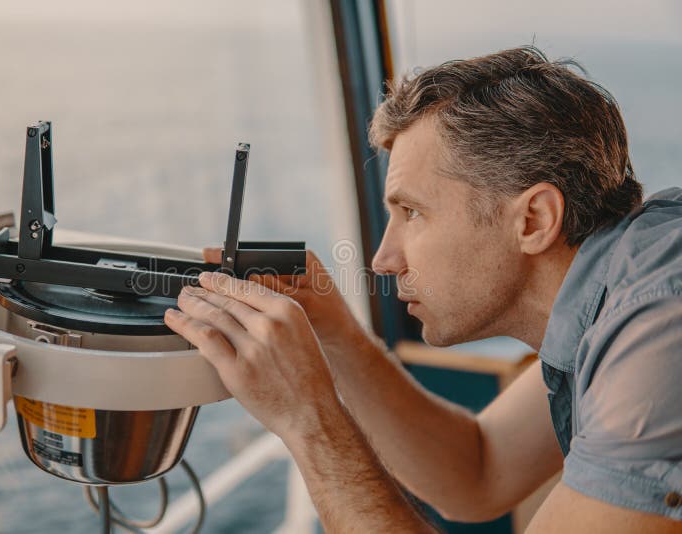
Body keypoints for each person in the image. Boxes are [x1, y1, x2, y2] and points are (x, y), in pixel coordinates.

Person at [163, 46, 682, 532]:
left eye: (412, 212)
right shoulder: (613, 297)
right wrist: (336, 329)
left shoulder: (659, 328)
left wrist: (308, 419)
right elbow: (477, 473)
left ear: (533, 219)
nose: (383, 260)